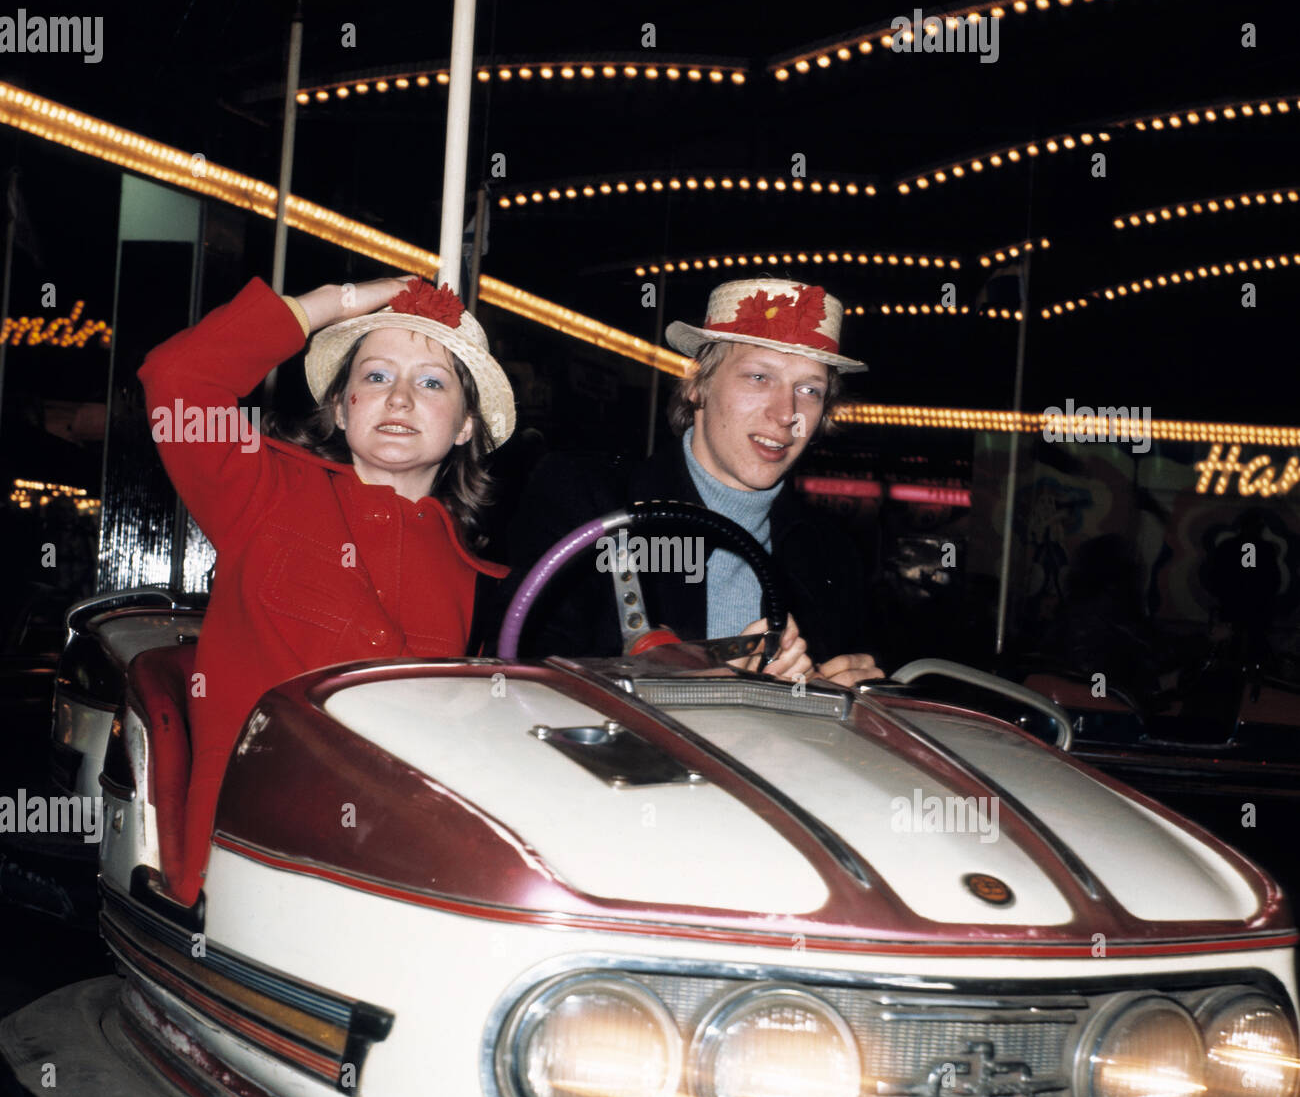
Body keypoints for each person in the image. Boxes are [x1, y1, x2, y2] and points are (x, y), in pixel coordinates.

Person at [138, 274, 514, 905]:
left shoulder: (481, 583)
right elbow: (178, 380)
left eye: (431, 382)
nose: (399, 398)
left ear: (465, 427)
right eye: (374, 376)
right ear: (341, 409)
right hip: (249, 866)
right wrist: (334, 304)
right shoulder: (264, 490)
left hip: (397, 877)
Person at [495, 276, 882, 685]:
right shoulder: (585, 498)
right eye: (759, 378)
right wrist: (706, 679)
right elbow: (521, 672)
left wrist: (843, 697)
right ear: (698, 387)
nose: (786, 413)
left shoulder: (832, 555)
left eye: (809, 389)